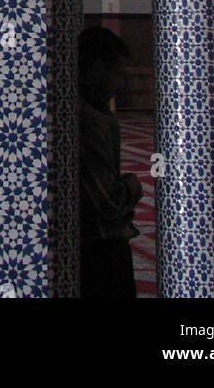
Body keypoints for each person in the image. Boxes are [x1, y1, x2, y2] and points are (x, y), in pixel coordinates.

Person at [77, 25, 143, 298]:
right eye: (116, 73)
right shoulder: (89, 121)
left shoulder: (89, 112)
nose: (121, 83)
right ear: (96, 69)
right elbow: (107, 200)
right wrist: (132, 186)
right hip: (100, 246)